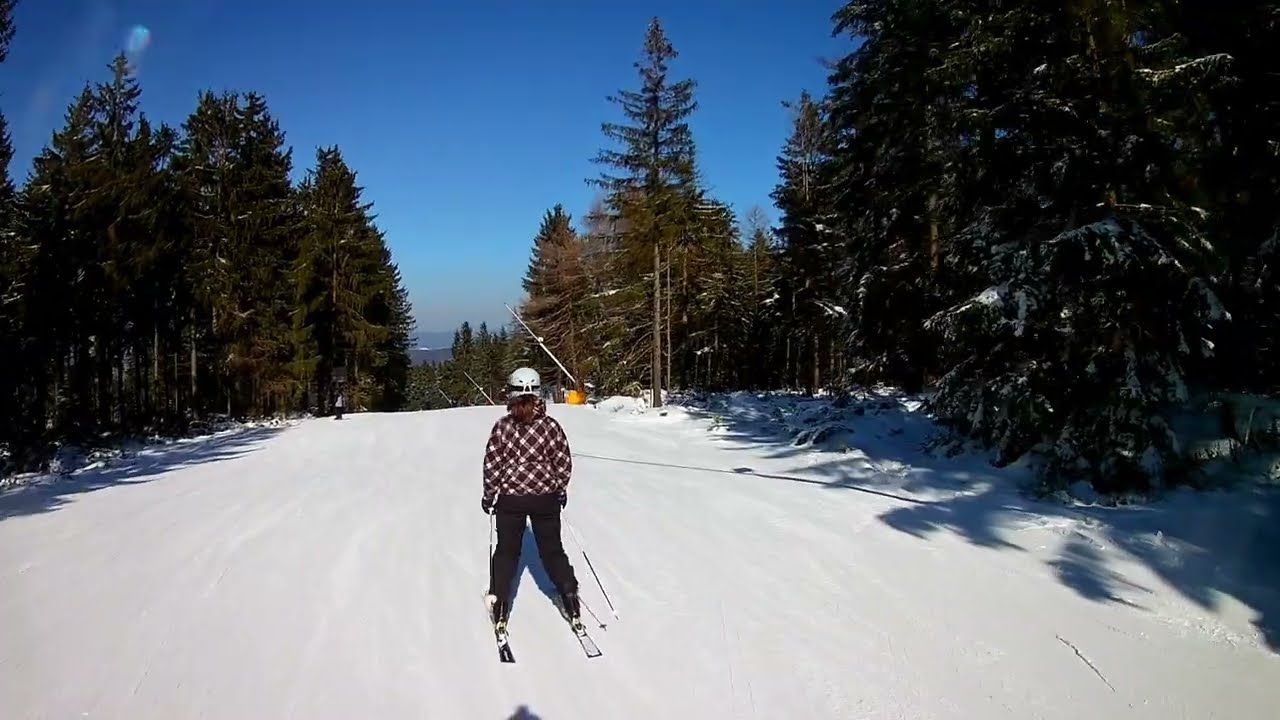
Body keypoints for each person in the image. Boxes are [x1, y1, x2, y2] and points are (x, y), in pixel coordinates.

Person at [482, 367, 581, 633]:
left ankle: (500, 603)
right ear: (537, 392)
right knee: (552, 550)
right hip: (545, 499)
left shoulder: (503, 427)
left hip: (511, 500)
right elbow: (563, 461)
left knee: (506, 552)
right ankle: (570, 598)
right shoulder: (550, 426)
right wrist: (560, 488)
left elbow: (492, 464)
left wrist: (489, 496)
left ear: (511, 391)